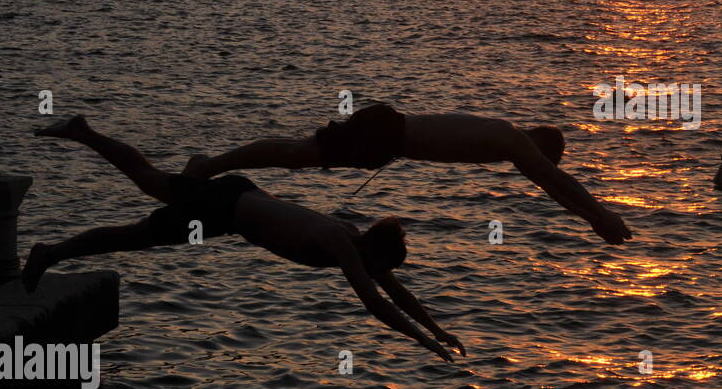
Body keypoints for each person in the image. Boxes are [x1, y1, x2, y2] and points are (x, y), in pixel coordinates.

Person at [23, 115, 463, 362]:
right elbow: (375, 303)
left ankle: (60, 233)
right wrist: (424, 343)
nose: (377, 277)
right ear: (372, 254)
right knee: (138, 214)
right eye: (378, 269)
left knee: (146, 196)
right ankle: (57, 232)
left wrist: (439, 329)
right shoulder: (342, 244)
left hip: (236, 199)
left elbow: (396, 294)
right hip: (224, 206)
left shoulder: (355, 240)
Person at [182, 104, 632, 245]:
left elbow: (554, 185)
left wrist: (589, 217)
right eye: (541, 163)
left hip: (386, 135)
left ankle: (214, 167)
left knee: (297, 155)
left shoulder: (506, 135)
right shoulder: (515, 141)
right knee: (296, 154)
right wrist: (600, 217)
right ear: (541, 148)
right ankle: (211, 165)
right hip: (385, 133)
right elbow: (557, 184)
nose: (534, 171)